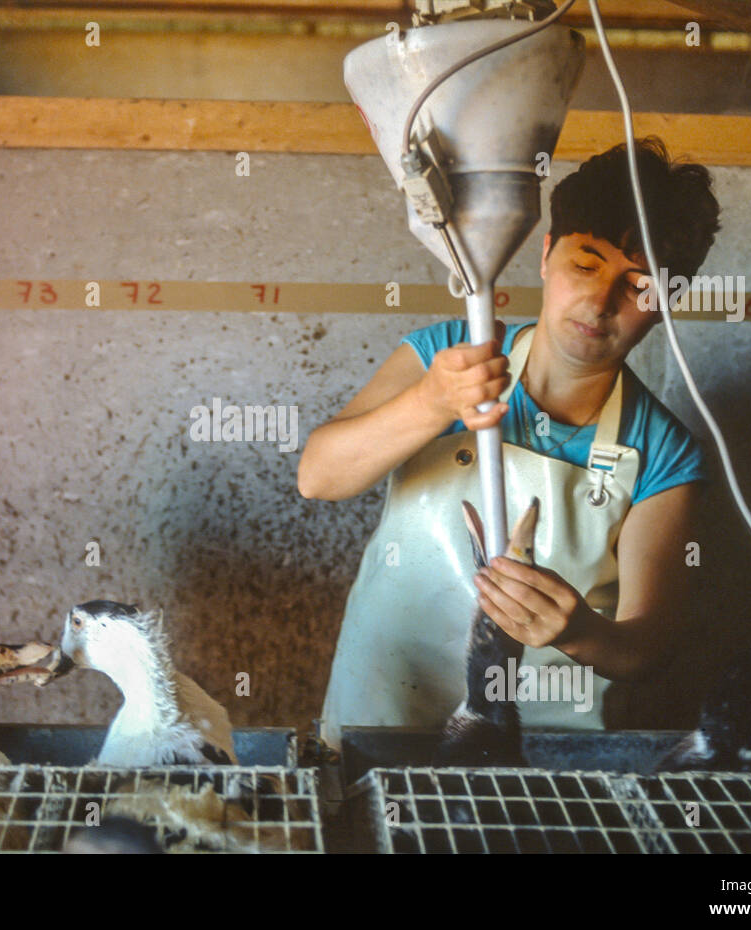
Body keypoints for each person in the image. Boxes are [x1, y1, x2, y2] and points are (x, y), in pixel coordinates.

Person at [298, 137, 721, 748]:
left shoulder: (663, 452)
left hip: (542, 753)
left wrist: (577, 632)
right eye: (587, 263)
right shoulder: (445, 356)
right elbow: (318, 475)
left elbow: (646, 645)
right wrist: (431, 404)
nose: (600, 302)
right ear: (547, 254)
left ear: (666, 304)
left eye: (639, 285)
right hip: (385, 708)